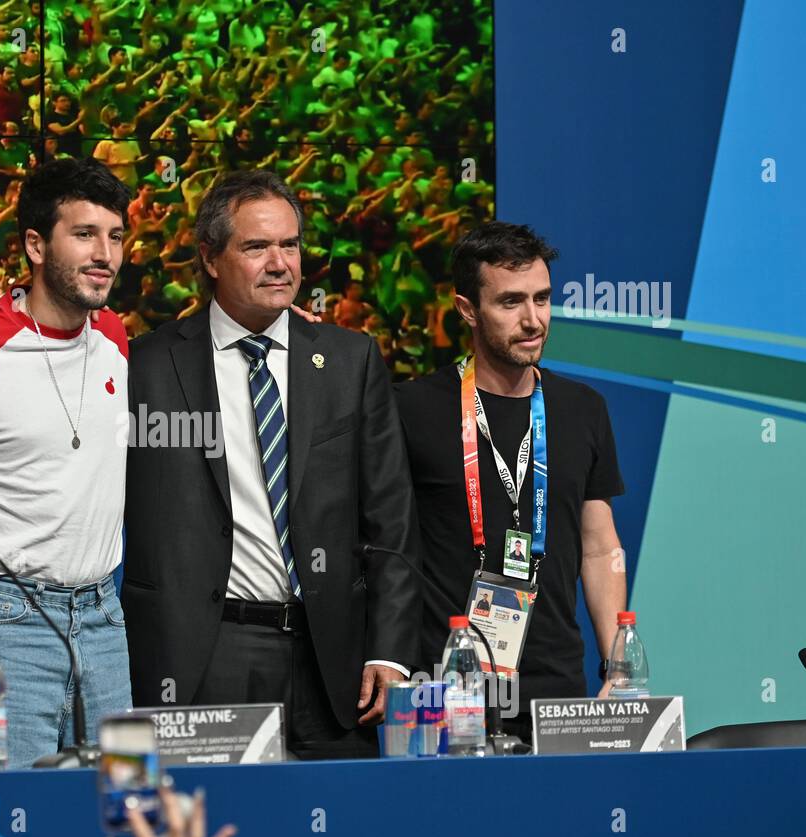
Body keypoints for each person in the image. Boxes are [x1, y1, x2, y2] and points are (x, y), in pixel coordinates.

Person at [122, 170, 421, 760]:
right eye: (256, 247)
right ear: (210, 257)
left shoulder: (349, 359)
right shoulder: (148, 366)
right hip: (206, 656)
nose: (280, 262)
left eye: (289, 245)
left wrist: (389, 649)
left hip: (337, 661)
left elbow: (391, 518)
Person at [393, 222, 627, 741]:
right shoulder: (410, 409)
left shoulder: (584, 409)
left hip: (556, 682)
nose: (532, 320)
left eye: (542, 299)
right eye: (510, 302)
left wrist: (617, 664)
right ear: (467, 309)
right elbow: (384, 549)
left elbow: (598, 545)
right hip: (445, 684)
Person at [0, 158, 133, 770]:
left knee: (125, 818)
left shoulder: (116, 339)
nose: (105, 253)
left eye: (116, 237)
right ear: (34, 245)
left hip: (104, 620)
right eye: (84, 235)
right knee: (4, 822)